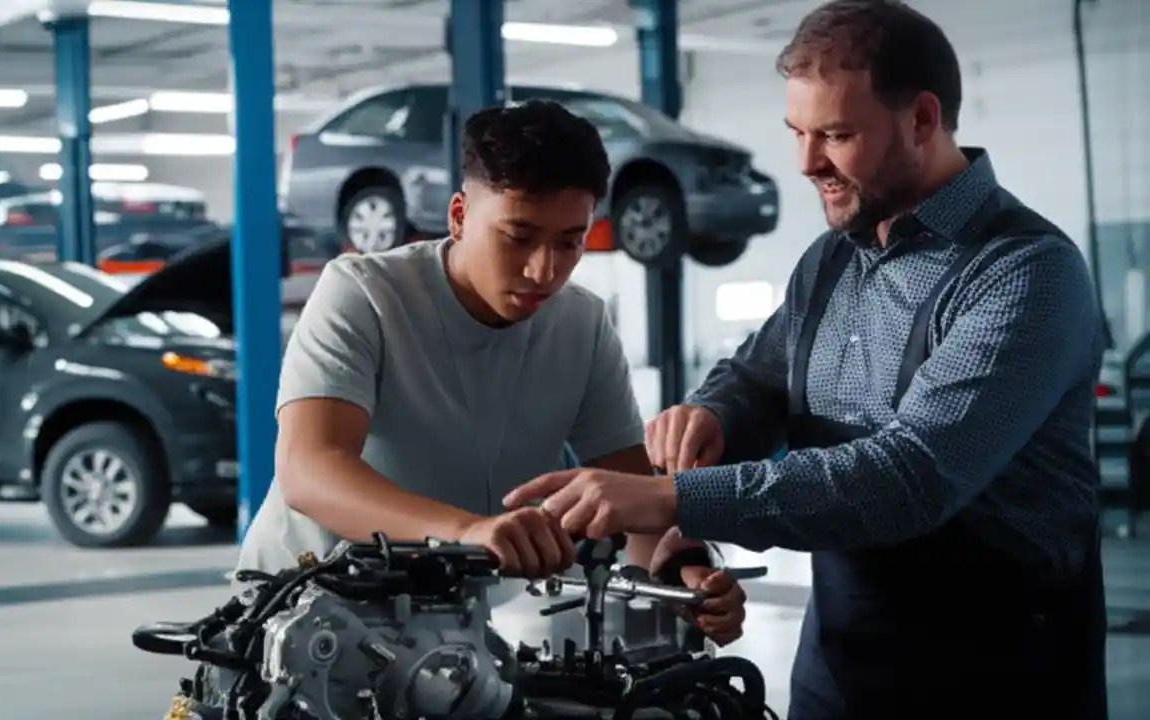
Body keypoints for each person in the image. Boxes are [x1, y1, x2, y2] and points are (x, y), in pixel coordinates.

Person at [503, 2, 1109, 718]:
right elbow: (757, 379)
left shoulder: (1026, 275)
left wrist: (669, 497)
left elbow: (909, 479)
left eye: (836, 135)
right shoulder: (831, 260)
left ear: (922, 119)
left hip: (998, 682)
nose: (805, 162)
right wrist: (711, 418)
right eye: (797, 133)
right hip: (838, 676)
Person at [236, 99, 746, 646]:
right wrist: (468, 534)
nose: (543, 270)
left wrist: (680, 571)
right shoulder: (363, 293)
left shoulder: (582, 324)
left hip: (441, 622)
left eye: (569, 242)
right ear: (458, 216)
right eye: (518, 236)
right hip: (300, 612)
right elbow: (309, 469)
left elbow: (632, 504)